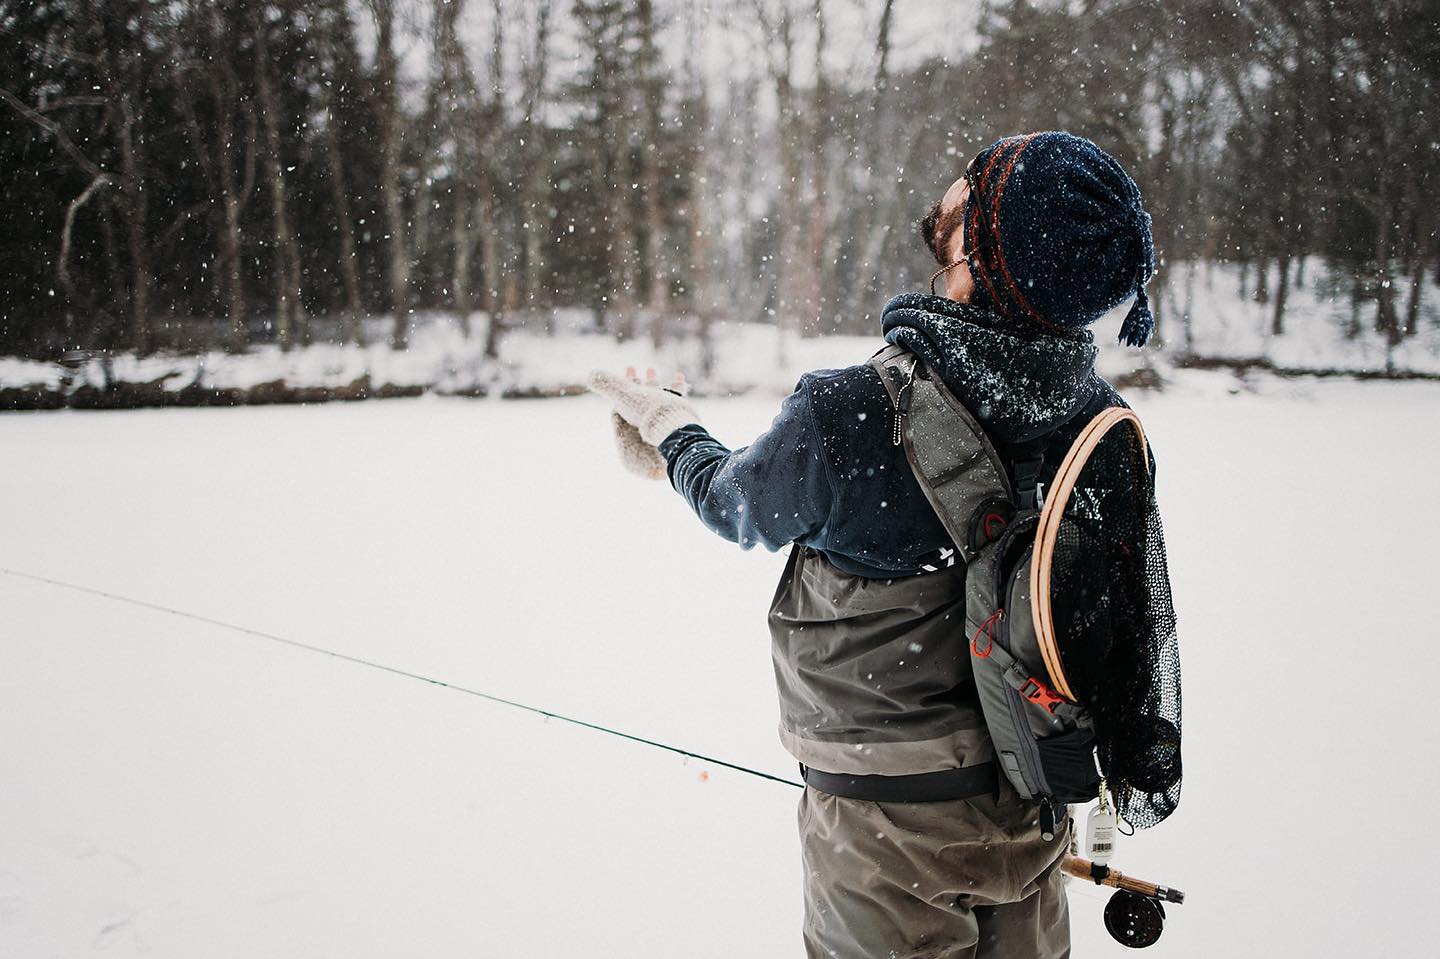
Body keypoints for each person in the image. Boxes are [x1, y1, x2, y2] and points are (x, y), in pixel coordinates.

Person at [590, 131, 1160, 959]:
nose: (955, 185)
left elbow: (736, 505)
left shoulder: (849, 413)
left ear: (987, 246)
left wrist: (670, 431)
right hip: (1033, 808)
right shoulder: (1098, 424)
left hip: (882, 838)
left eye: (975, 188)